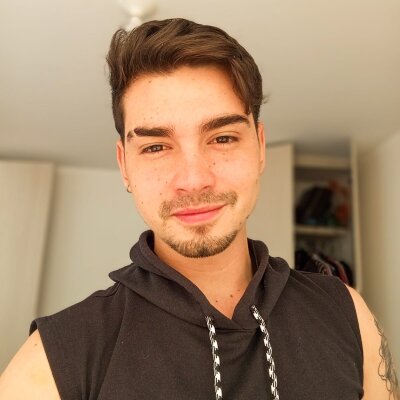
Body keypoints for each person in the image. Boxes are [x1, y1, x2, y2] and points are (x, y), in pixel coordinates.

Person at [0, 18, 398, 400]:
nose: (193, 180)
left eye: (222, 138)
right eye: (156, 147)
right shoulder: (53, 362)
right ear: (124, 165)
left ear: (260, 147)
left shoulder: (346, 312)